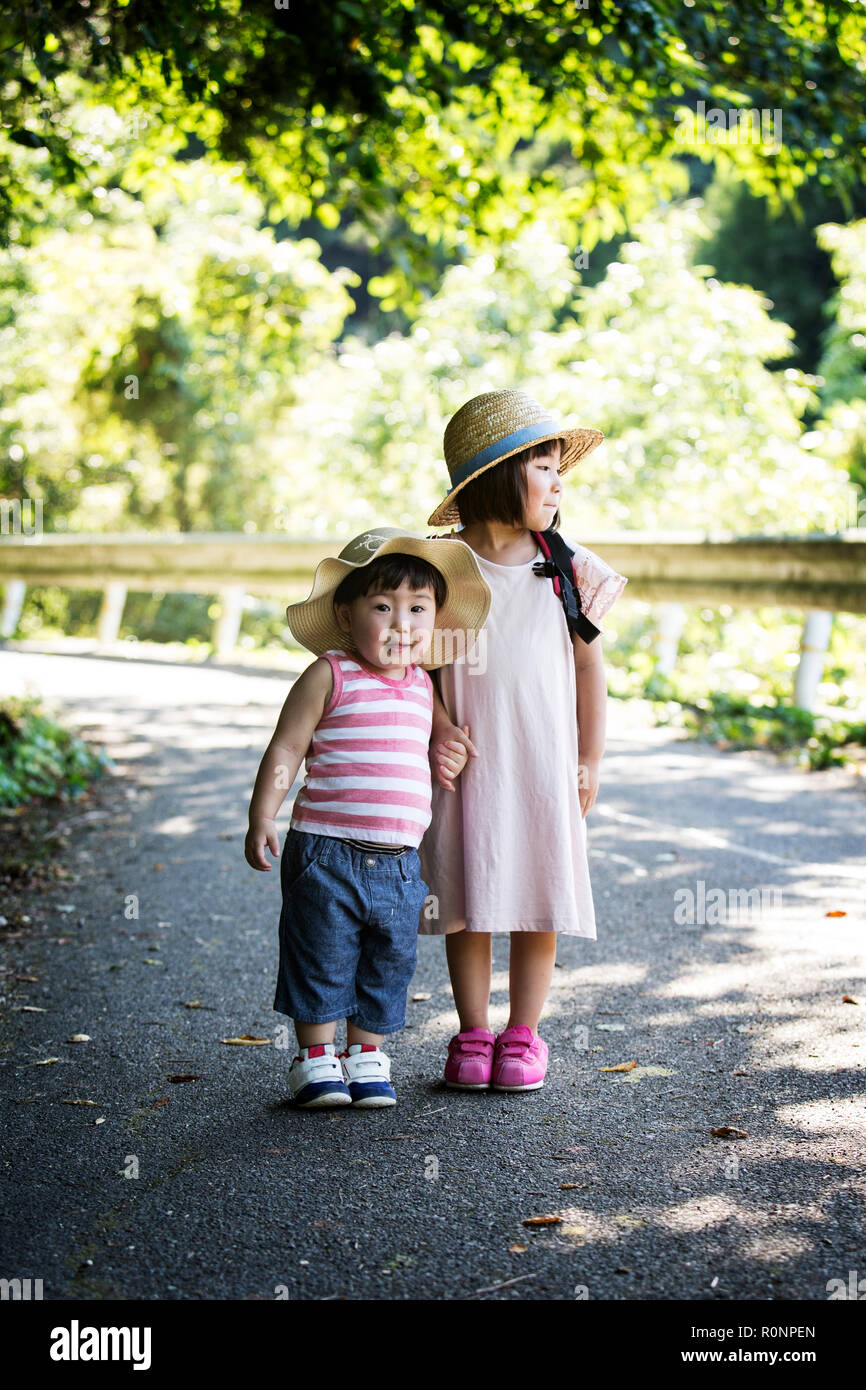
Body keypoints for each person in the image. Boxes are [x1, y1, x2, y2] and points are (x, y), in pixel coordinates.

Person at [419, 388, 628, 1093]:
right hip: (468, 764)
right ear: (494, 477)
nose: (559, 480)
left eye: (557, 466)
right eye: (542, 465)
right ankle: (473, 1030)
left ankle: (523, 1034)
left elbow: (589, 666)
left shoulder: (567, 566)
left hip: (543, 763)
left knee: (539, 894)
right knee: (469, 896)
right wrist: (439, 725)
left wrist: (589, 757)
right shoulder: (439, 570)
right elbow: (414, 667)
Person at [245, 526, 491, 1109]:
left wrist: (450, 737)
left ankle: (367, 1054)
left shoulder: (421, 687)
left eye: (417, 608)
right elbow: (285, 749)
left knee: (389, 960)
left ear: (435, 621)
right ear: (346, 613)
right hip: (326, 849)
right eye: (383, 607)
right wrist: (263, 816)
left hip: (402, 862)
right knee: (320, 952)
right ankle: (314, 1059)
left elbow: (439, 736)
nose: (402, 623)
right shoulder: (329, 675)